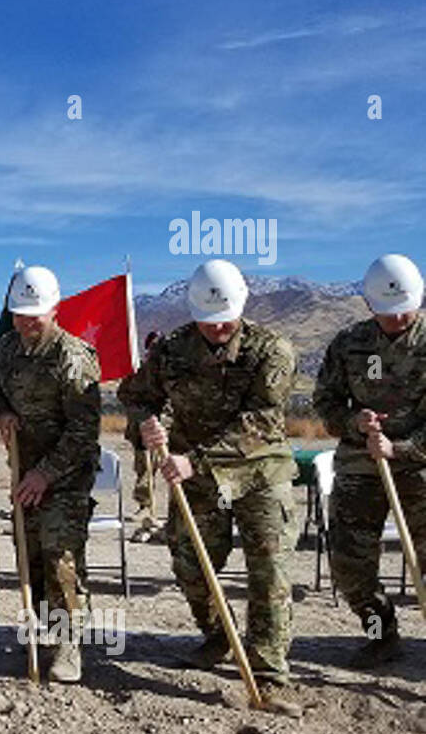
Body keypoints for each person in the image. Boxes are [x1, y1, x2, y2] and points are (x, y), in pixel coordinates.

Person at [118, 259, 298, 689]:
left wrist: (192, 459)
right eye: (208, 322)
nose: (218, 329)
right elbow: (135, 394)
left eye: (225, 321)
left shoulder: (272, 350)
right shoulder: (173, 349)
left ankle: (268, 665)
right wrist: (146, 423)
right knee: (191, 565)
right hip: (196, 481)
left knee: (269, 569)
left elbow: (260, 423)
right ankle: (220, 635)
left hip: (258, 472)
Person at [0, 266, 101, 683]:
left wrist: (45, 474)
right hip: (24, 468)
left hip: (66, 473)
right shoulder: (6, 348)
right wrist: (3, 413)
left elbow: (83, 432)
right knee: (29, 555)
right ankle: (46, 631)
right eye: (18, 314)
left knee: (60, 556)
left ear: (55, 309)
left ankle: (68, 644)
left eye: (33, 315)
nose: (24, 322)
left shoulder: (73, 358)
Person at [313, 254, 425, 667]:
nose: (395, 320)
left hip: (420, 467)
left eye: (403, 312)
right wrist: (353, 422)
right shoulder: (349, 344)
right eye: (385, 313)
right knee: (348, 563)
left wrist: (400, 449)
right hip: (361, 467)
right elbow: (325, 401)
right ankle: (381, 632)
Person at [127, 331, 164, 543]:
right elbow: (127, 395)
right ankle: (145, 505)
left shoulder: (169, 368)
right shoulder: (138, 370)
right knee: (144, 469)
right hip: (141, 430)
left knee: (167, 469)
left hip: (166, 430)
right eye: (152, 345)